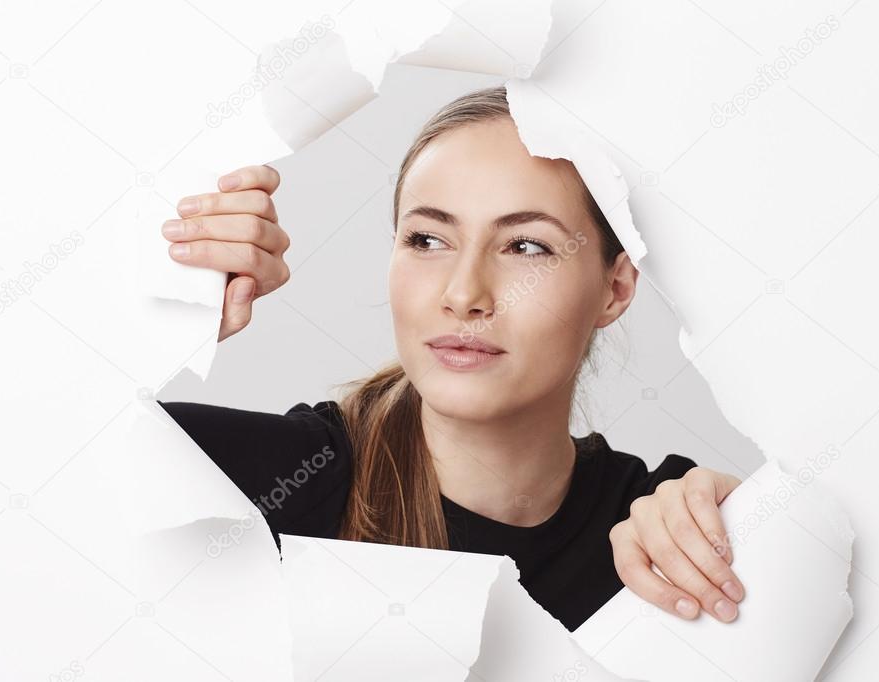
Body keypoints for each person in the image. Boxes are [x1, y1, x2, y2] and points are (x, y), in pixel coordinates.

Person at [157, 85, 745, 632]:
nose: (464, 295)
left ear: (615, 288)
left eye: (526, 246)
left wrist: (757, 527)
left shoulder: (656, 535)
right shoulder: (270, 482)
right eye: (427, 240)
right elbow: (67, 466)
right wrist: (155, 332)